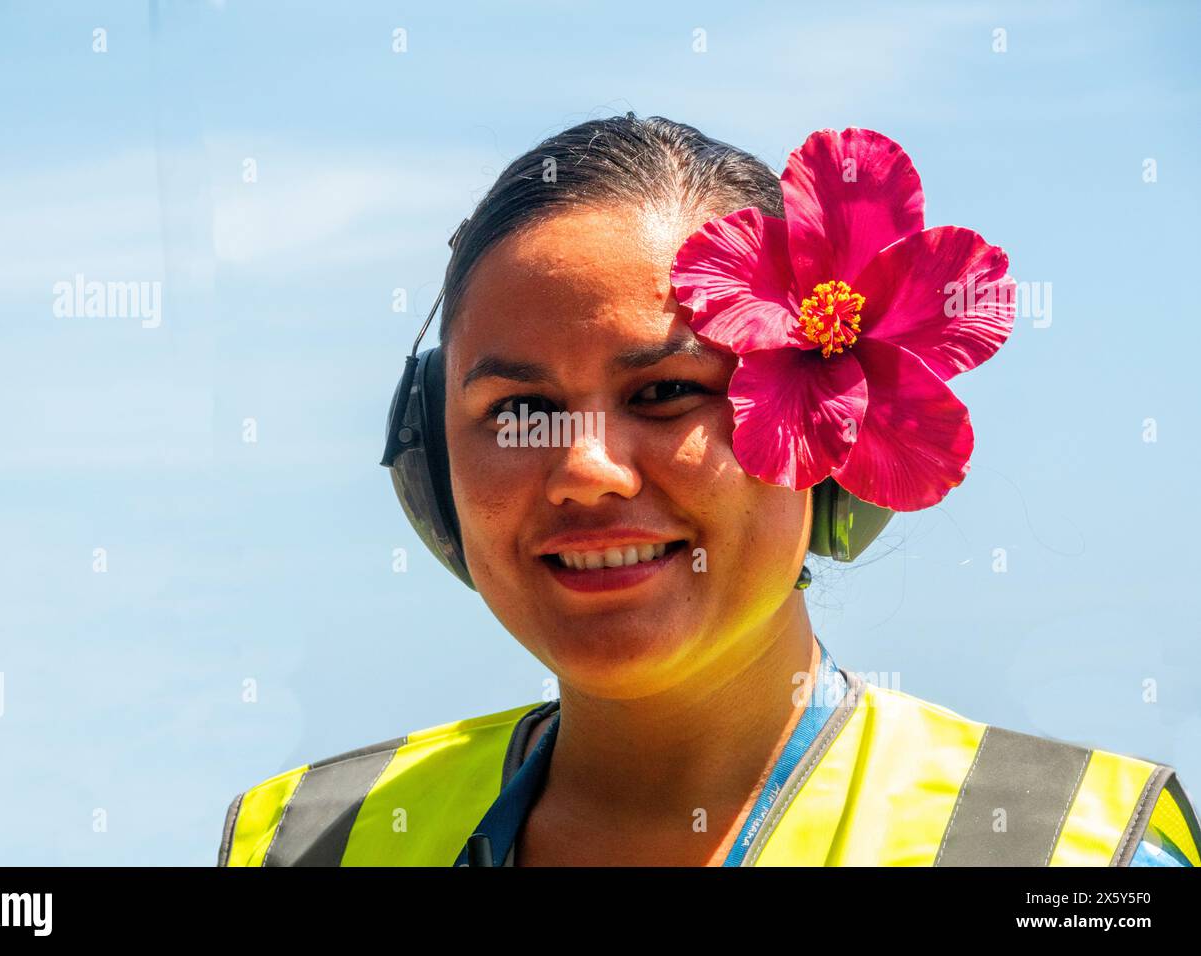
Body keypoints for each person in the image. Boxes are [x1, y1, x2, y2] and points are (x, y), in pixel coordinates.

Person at [218, 114, 1200, 867]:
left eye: (668, 391)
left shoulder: (1055, 846)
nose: (585, 468)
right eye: (520, 409)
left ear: (833, 443)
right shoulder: (310, 839)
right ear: (431, 467)